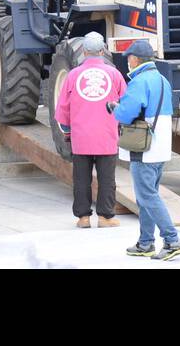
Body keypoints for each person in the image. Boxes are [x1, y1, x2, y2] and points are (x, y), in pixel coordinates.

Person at [110, 40, 180, 260]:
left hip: (144, 149)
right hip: (160, 147)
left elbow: (126, 114)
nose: (128, 62)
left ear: (135, 59)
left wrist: (116, 108)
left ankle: (172, 240)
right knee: (146, 196)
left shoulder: (139, 81)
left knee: (147, 196)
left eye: (129, 58)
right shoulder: (162, 79)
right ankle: (146, 243)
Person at [54, 31, 126, 229]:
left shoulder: (73, 75)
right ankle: (105, 217)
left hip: (80, 137)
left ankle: (83, 217)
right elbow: (125, 103)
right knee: (107, 179)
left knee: (81, 179)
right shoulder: (114, 74)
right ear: (103, 51)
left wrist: (67, 132)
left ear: (84, 52)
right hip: (106, 135)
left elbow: (63, 108)